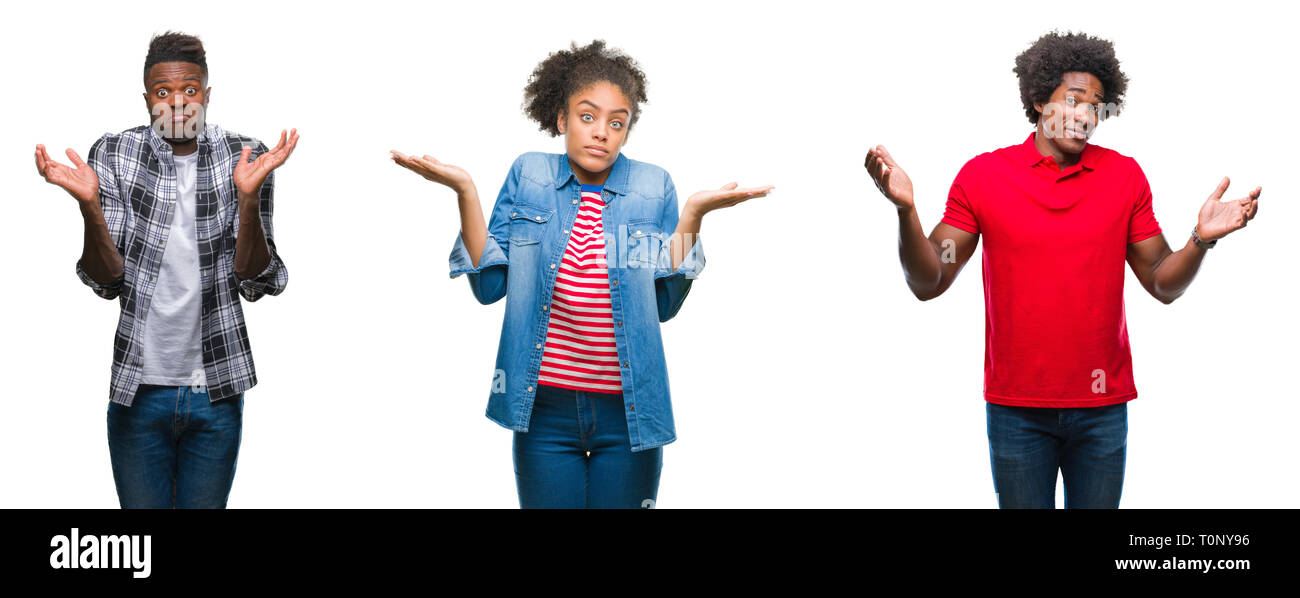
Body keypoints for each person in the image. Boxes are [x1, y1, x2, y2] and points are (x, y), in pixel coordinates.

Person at [864, 31, 1260, 509]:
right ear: (1037, 99)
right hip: (1016, 410)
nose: (1085, 116)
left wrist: (1201, 239)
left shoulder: (1123, 176)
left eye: (1096, 105)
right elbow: (930, 280)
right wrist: (907, 213)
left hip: (1102, 408)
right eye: (1073, 100)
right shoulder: (983, 177)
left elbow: (1161, 281)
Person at [392, 40, 773, 508]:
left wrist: (693, 216)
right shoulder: (529, 175)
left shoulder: (654, 188)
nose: (602, 133)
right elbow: (489, 287)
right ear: (561, 119)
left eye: (617, 123)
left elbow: (664, 307)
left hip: (629, 414)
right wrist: (465, 191)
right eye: (587, 116)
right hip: (543, 409)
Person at [34, 31, 297, 508]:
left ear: (207, 94)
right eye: (163, 92)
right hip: (139, 391)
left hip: (215, 389)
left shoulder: (247, 155)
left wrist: (249, 197)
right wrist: (90, 208)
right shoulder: (114, 154)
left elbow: (255, 280)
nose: (178, 102)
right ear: (147, 98)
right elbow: (107, 280)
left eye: (190, 90)